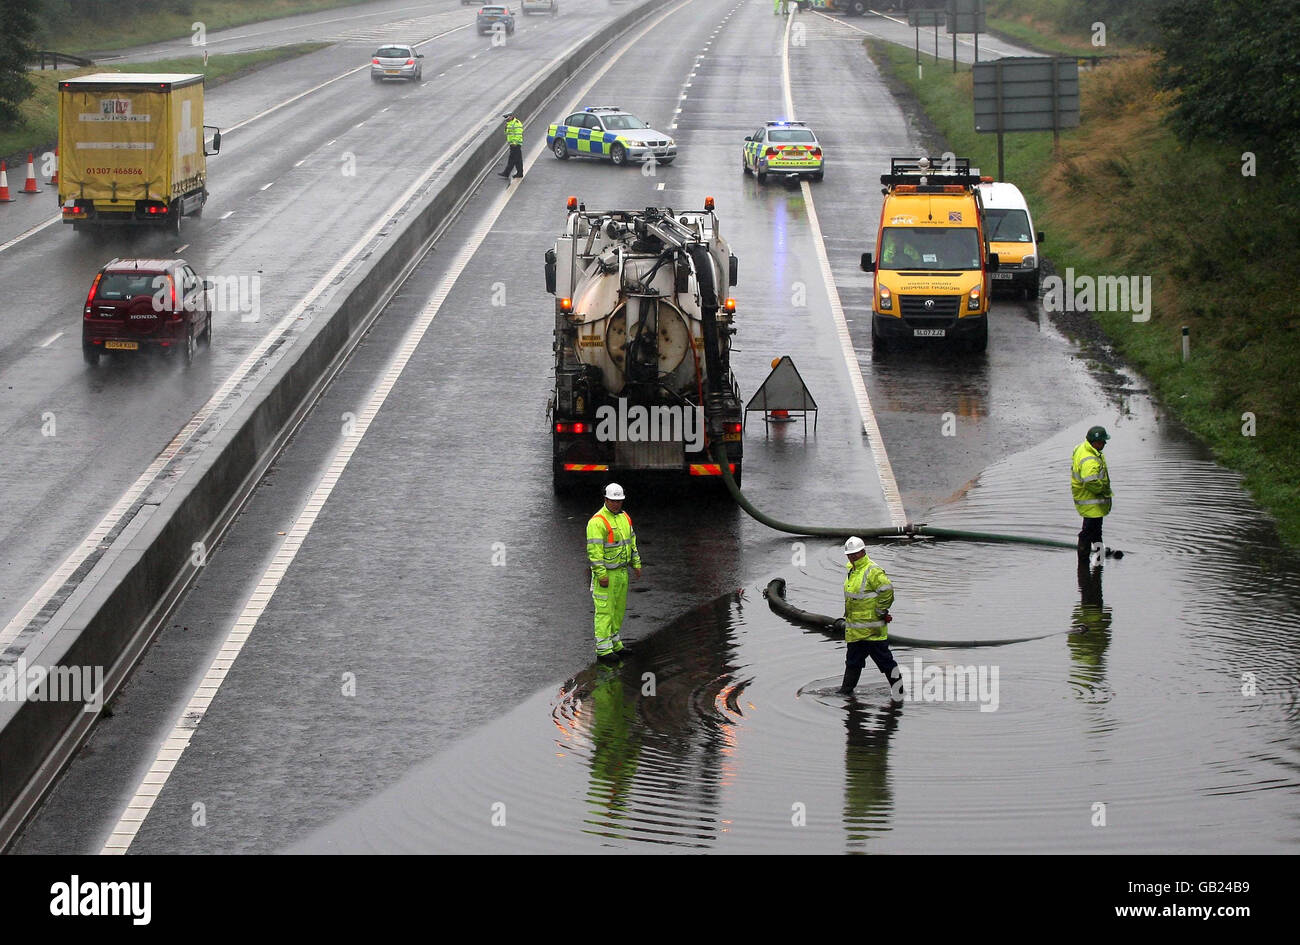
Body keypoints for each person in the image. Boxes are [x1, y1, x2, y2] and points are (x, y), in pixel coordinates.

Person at [837, 537, 902, 699]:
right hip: (855, 631)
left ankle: (899, 693)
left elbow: (887, 591)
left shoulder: (872, 570)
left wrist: (880, 611)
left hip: (872, 630)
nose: (852, 557)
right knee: (852, 663)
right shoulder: (852, 570)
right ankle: (845, 692)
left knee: (886, 663)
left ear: (863, 552)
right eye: (849, 555)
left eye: (855, 554)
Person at [586, 483, 642, 660]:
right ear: (606, 500)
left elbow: (631, 542)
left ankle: (615, 644)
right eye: (613, 501)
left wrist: (636, 563)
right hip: (607, 575)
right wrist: (601, 575)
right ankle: (603, 650)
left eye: (619, 501)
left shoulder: (625, 517)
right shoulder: (597, 522)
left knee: (618, 610)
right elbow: (595, 552)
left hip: (621, 572)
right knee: (604, 612)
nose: (617, 504)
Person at [1071, 425, 1113, 563]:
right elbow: (1090, 482)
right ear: (1095, 442)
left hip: (1089, 501)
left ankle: (1100, 557)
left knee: (1096, 532)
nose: (1104, 444)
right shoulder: (1090, 460)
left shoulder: (1082, 448)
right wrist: (1103, 490)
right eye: (1102, 441)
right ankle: (1083, 563)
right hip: (1091, 501)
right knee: (1088, 532)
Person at [497, 111, 523, 179]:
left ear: (511, 116)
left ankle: (506, 173)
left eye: (506, 117)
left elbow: (518, 134)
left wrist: (515, 143)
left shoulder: (516, 123)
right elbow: (507, 133)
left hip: (515, 144)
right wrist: (506, 128)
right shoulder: (509, 123)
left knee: (512, 159)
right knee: (518, 160)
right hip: (512, 144)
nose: (505, 119)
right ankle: (520, 173)